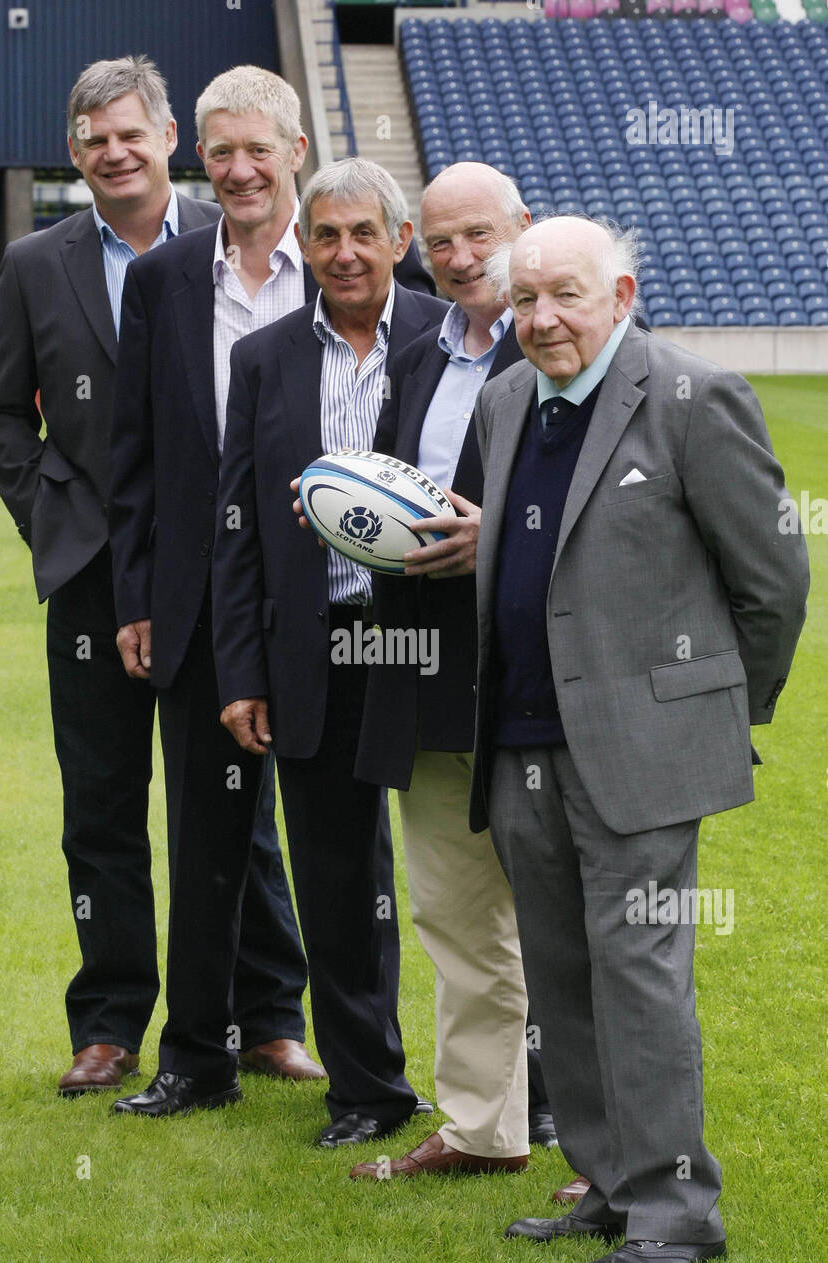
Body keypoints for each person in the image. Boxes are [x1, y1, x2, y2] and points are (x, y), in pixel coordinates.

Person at [471, 214, 809, 1263]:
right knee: (561, 973)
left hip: (642, 752)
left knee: (639, 976)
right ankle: (610, 1182)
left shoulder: (691, 398)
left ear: (620, 295)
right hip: (522, 740)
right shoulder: (504, 401)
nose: (541, 319)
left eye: (564, 295)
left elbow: (774, 583)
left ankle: (677, 1212)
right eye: (523, 300)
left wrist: (710, 710)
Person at [0, 55, 306, 1098]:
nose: (113, 150)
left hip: (215, 573)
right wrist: (58, 522)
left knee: (234, 800)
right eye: (92, 138)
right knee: (104, 805)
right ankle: (110, 1022)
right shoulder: (35, 262)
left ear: (168, 138)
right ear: (74, 153)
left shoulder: (233, 233)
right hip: (93, 579)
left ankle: (268, 1016)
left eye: (129, 131)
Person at [107, 69, 432, 1121]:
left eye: (259, 148)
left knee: (345, 846)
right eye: (220, 149)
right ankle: (196, 1055)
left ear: (295, 147)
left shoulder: (357, 266)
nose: (238, 169)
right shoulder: (162, 281)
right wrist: (136, 594)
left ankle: (308, 1040)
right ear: (197, 153)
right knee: (206, 835)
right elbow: (138, 456)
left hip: (346, 611)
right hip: (207, 604)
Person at [211, 158, 446, 1146]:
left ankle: (530, 1092)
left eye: (364, 233)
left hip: (433, 646)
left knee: (475, 884)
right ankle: (366, 1092)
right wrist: (242, 673)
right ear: (302, 246)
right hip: (313, 653)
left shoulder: (457, 338)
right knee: (340, 885)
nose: (344, 252)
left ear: (400, 240)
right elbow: (238, 530)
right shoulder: (264, 359)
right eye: (325, 235)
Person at [349, 161, 555, 1182]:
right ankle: (483, 1130)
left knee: (575, 915)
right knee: (455, 914)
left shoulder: (570, 343)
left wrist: (503, 542)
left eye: (480, 234)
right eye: (440, 242)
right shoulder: (417, 351)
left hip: (544, 680)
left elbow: (618, 505)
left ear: (523, 227)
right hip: (430, 677)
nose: (463, 257)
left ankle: (616, 1150)